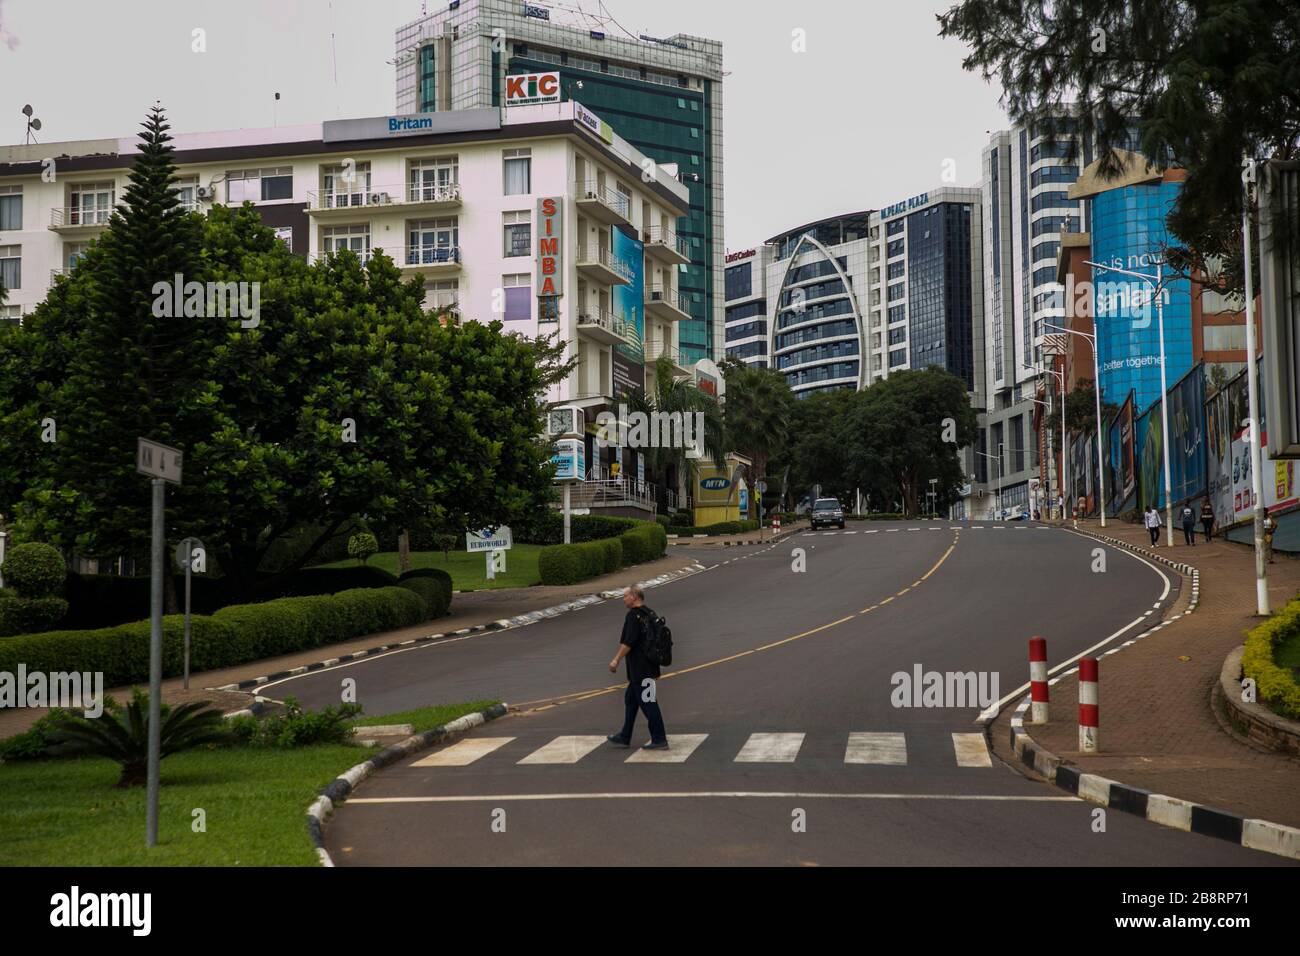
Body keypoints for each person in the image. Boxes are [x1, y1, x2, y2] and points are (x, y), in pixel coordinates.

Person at [607, 585, 668, 750]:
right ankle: (624, 736)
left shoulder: (633, 616)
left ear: (634, 596)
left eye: (625, 595)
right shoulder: (649, 613)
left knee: (649, 703)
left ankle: (659, 738)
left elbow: (629, 642)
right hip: (647, 668)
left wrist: (616, 660)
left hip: (641, 671)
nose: (623, 599)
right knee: (631, 700)